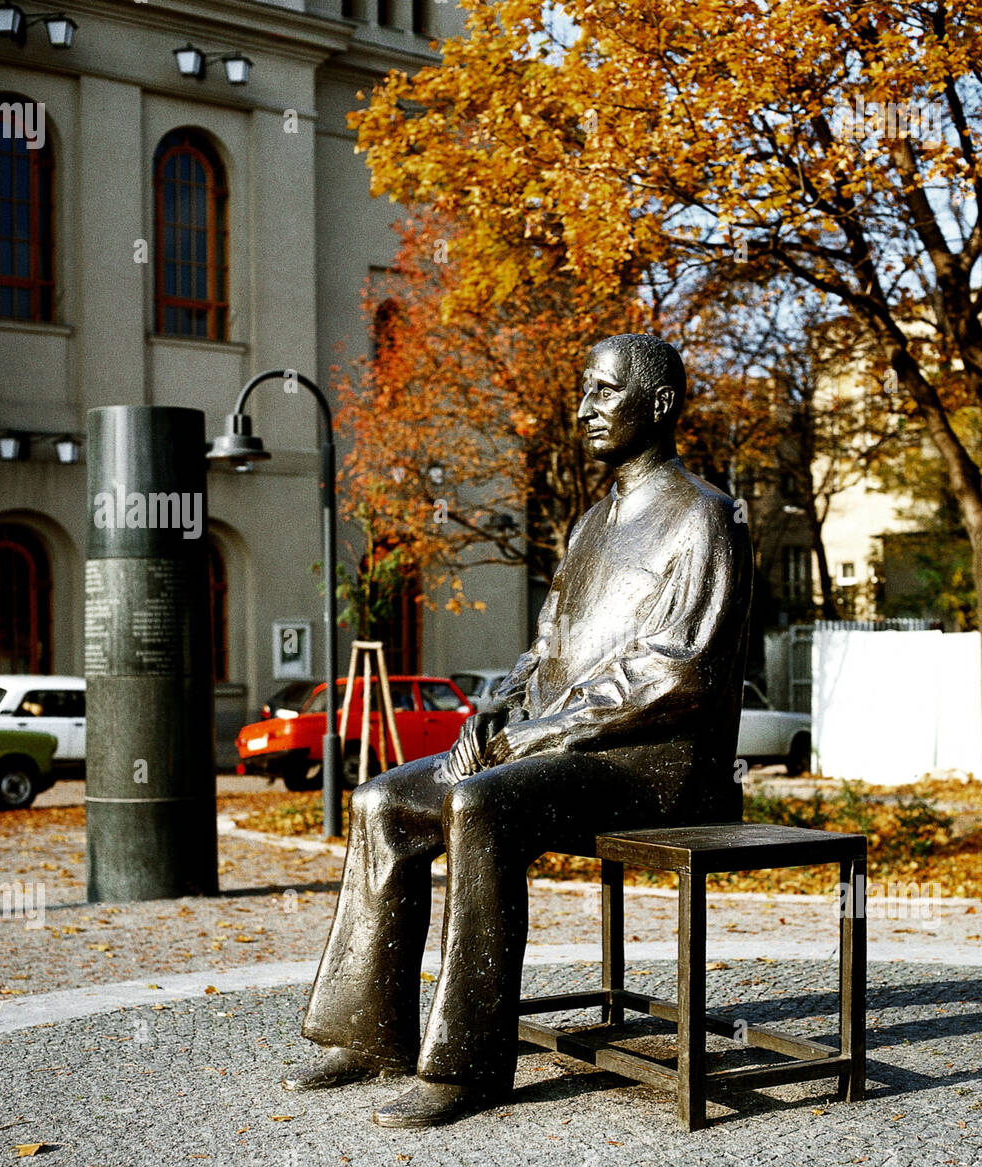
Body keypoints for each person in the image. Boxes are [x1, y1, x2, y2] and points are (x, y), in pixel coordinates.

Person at [284, 333, 752, 1127]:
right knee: (381, 802)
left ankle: (467, 1066)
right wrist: (498, 708)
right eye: (584, 390)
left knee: (481, 806)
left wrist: (537, 738)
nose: (584, 408)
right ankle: (368, 1034)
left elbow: (677, 675)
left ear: (661, 405)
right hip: (564, 747)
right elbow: (544, 652)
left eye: (603, 392)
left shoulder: (704, 519)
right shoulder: (587, 529)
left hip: (653, 767)